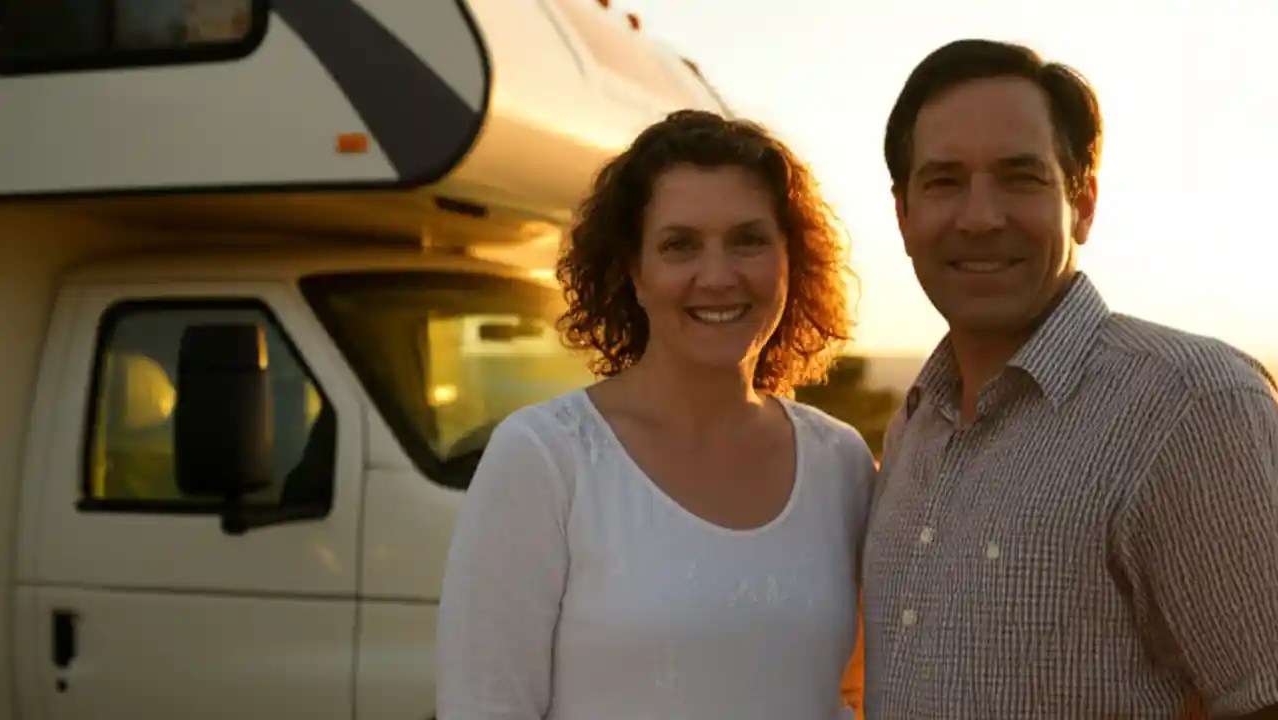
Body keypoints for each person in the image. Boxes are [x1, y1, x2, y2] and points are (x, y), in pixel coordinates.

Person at [861, 38, 1278, 719]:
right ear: (903, 215)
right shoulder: (913, 425)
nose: (979, 217)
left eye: (1021, 178)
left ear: (1082, 202)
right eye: (943, 182)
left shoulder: (1190, 408)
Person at [436, 109, 877, 719]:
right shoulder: (545, 457)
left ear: (789, 261)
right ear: (634, 273)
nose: (718, 275)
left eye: (748, 240)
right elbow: (485, 706)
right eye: (680, 245)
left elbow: (851, 695)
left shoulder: (842, 463)